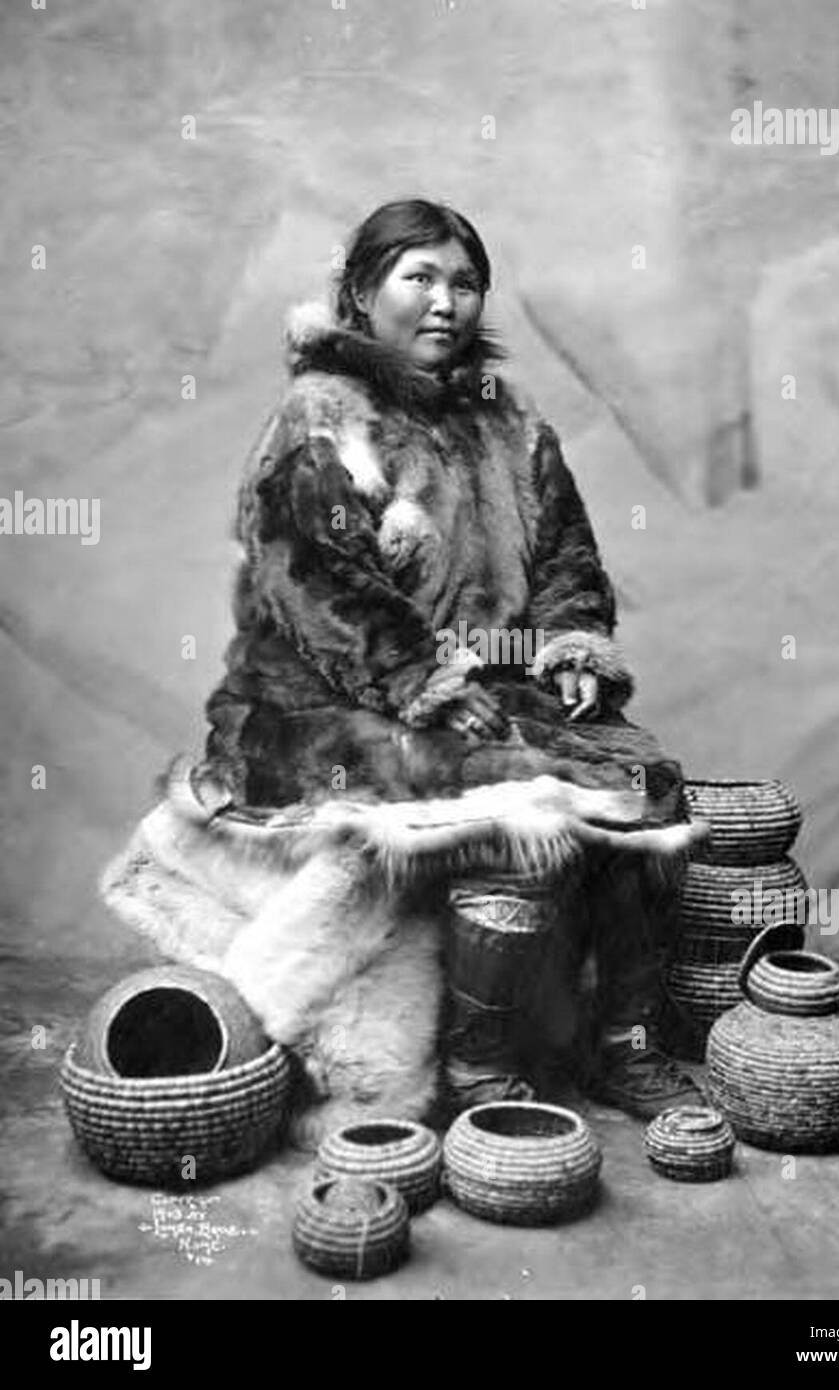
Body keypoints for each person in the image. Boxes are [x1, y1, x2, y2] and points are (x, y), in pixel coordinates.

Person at [199, 198, 701, 1116]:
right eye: (418, 277)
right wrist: (419, 683)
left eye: (464, 283)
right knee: (524, 801)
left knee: (643, 777)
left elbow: (566, 559)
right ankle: (482, 1072)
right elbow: (313, 579)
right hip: (320, 704)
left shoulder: (508, 421)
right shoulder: (322, 413)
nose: (445, 302)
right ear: (360, 290)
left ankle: (622, 1044)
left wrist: (569, 648)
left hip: (485, 680)